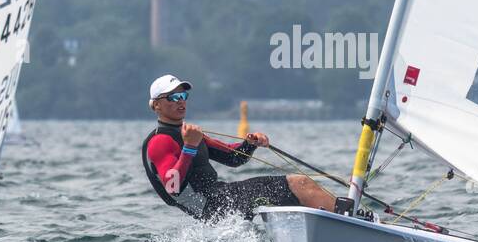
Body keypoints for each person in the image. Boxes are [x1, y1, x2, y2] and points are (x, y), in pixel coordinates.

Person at [141, 75, 336, 221]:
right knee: (300, 183)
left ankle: (332, 222)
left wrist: (249, 144)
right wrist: (190, 147)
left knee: (292, 191)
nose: (181, 100)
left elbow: (233, 158)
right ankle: (347, 219)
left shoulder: (187, 133)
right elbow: (172, 188)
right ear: (157, 105)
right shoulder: (160, 141)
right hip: (214, 206)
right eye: (173, 97)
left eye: (183, 95)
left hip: (221, 197)